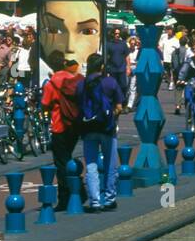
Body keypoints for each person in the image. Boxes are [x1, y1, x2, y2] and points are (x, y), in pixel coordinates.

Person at [79, 53, 125, 212]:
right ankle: (109, 198)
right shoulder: (111, 82)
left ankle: (95, 201)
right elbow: (120, 106)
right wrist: (112, 114)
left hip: (88, 128)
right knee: (110, 164)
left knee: (91, 165)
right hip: (107, 128)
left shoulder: (82, 84)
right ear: (102, 66)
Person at [41, 54, 83, 212]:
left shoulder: (52, 82)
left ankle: (67, 196)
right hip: (75, 124)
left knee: (61, 163)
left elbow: (45, 103)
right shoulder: (76, 79)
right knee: (68, 159)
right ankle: (78, 191)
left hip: (59, 125)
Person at [104, 28, 130, 98]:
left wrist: (128, 68)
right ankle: (114, 103)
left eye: (118, 34)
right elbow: (105, 57)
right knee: (113, 86)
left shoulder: (123, 44)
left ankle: (122, 102)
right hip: (112, 69)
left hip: (121, 69)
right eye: (116, 33)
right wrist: (106, 68)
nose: (117, 35)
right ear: (113, 34)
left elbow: (127, 56)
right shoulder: (108, 44)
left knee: (123, 86)